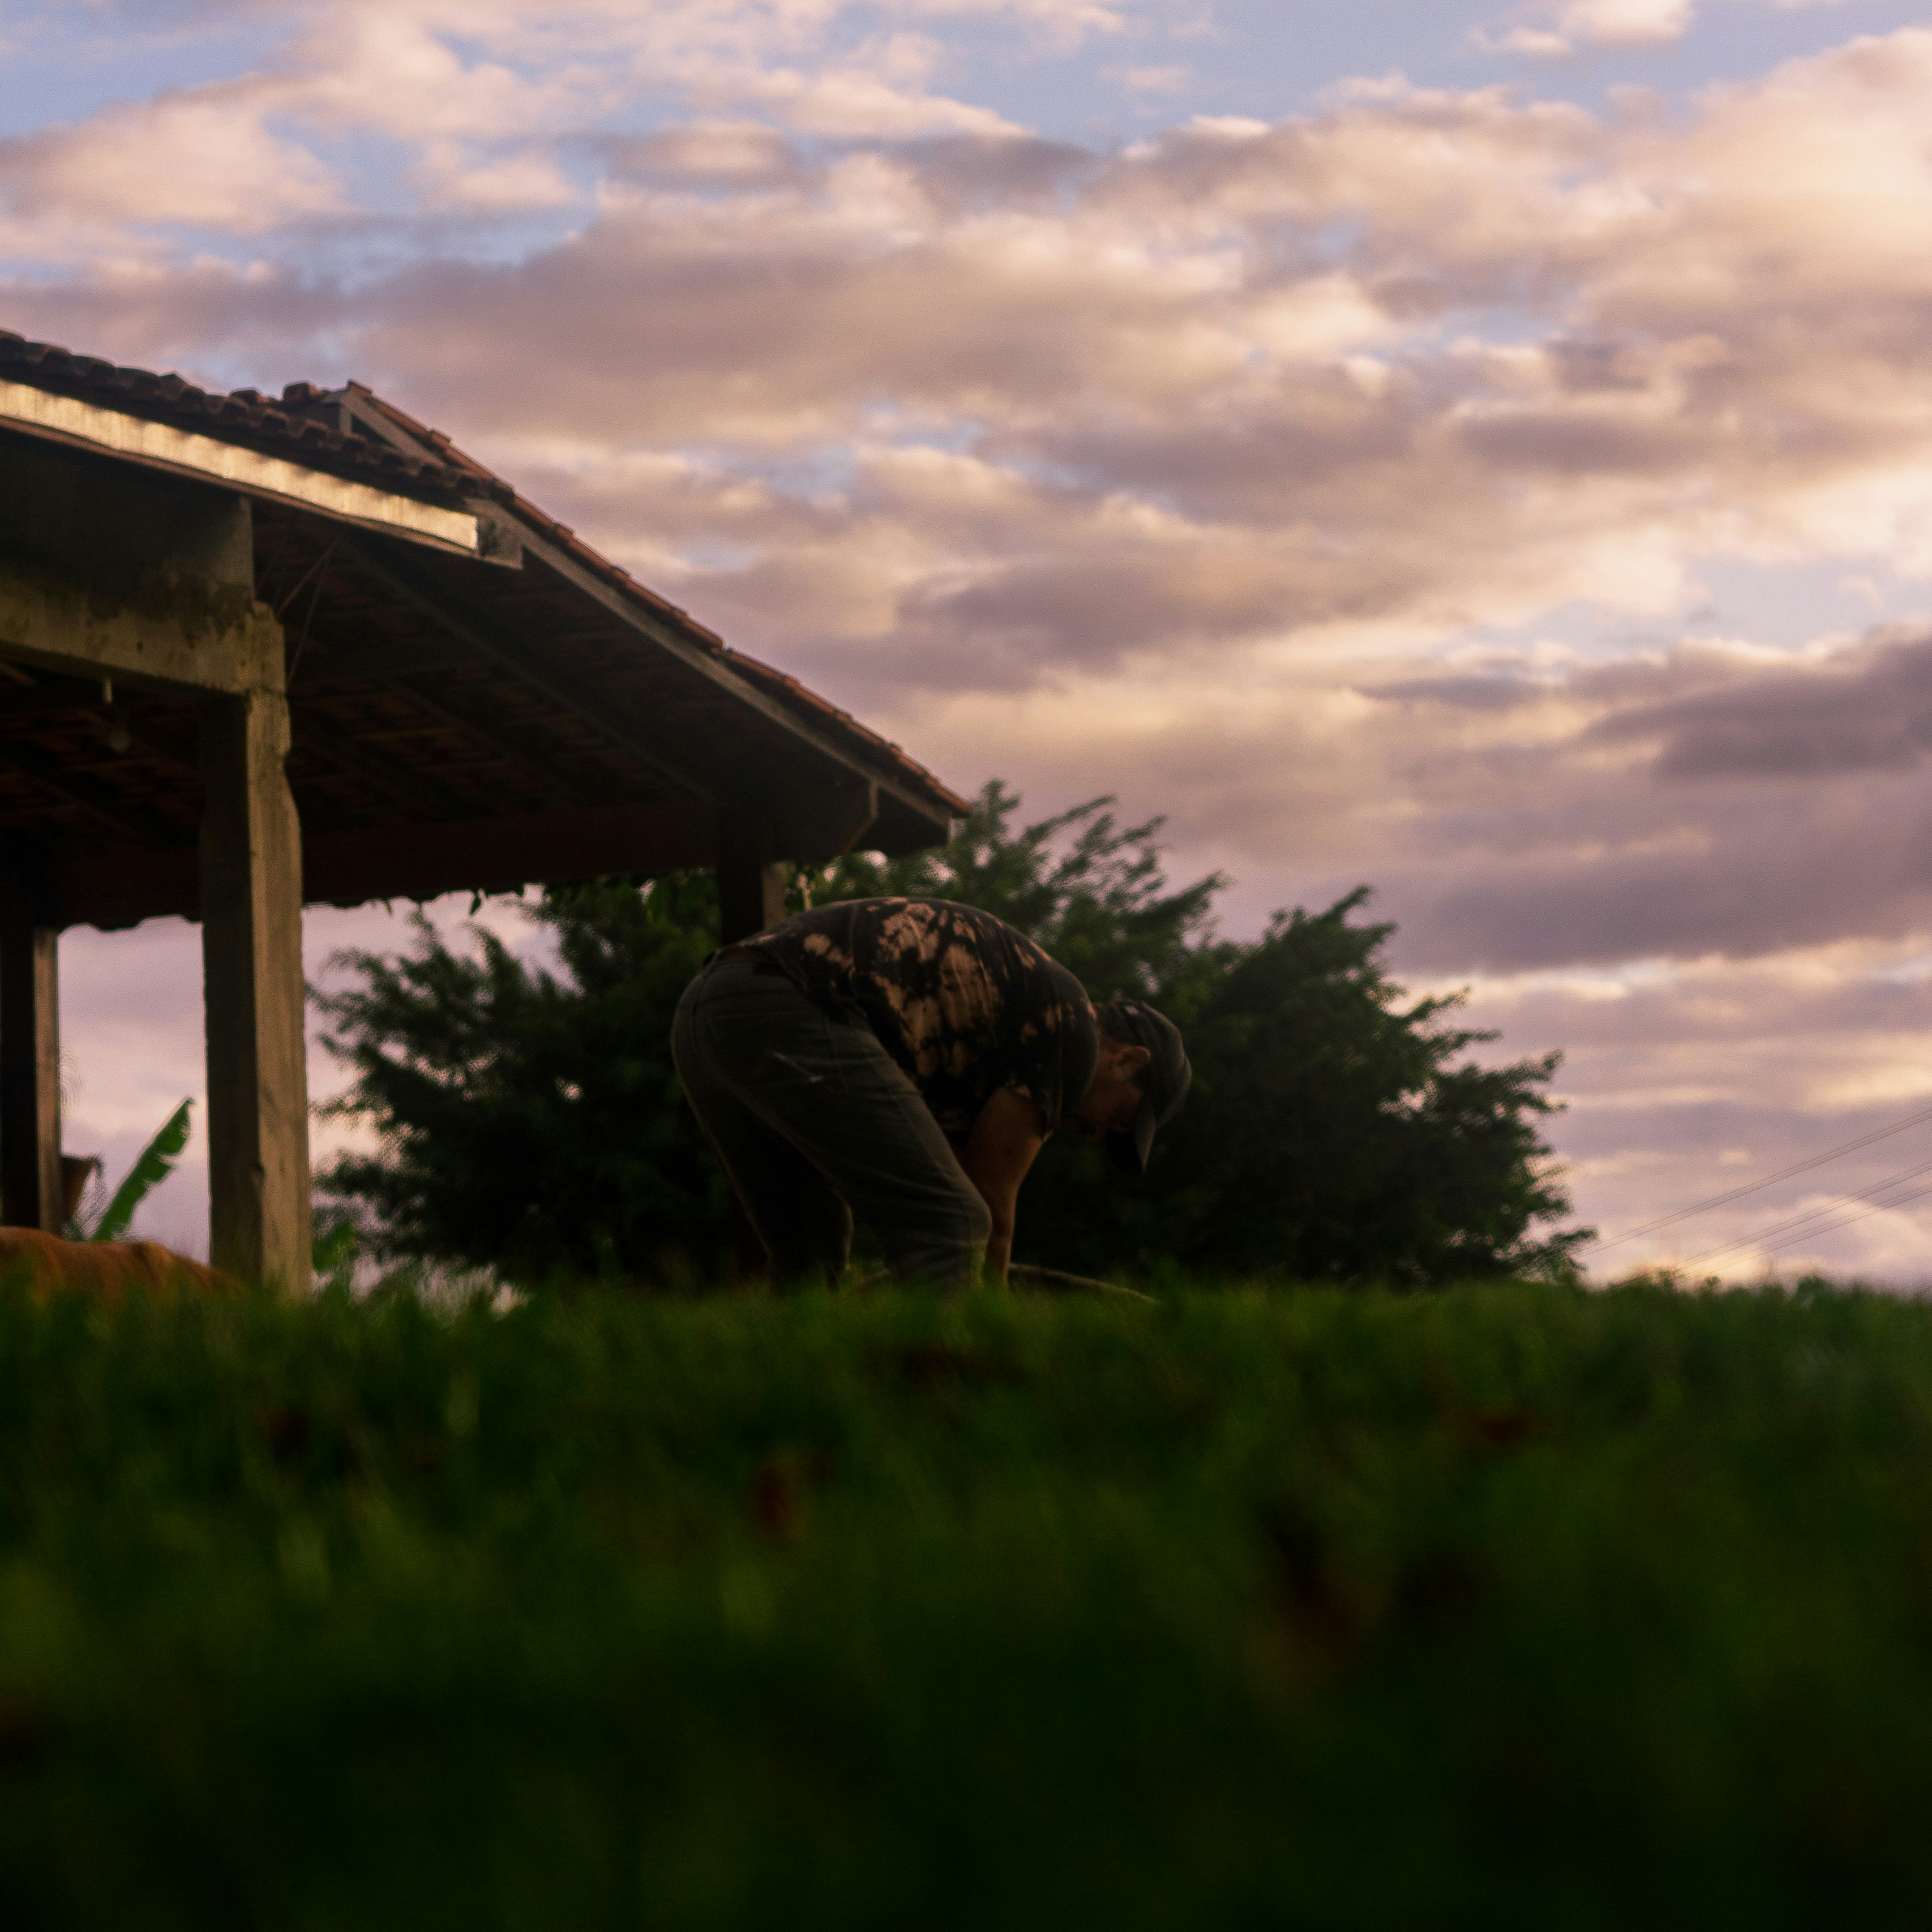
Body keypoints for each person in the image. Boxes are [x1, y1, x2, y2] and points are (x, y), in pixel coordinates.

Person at [671, 896, 1189, 1287]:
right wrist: (994, 1324)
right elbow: (987, 1205)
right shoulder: (1070, 1033)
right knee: (953, 1225)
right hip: (794, 1004)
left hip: (709, 1006)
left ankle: (785, 1408)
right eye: (1120, 1120)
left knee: (808, 1248)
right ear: (1128, 1059)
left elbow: (943, 1164)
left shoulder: (1005, 1026)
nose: (1097, 1133)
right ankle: (949, 1404)